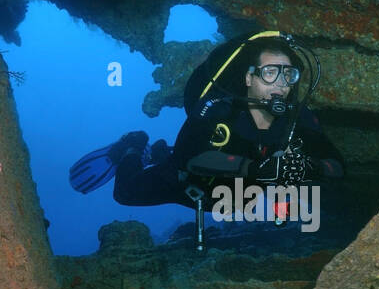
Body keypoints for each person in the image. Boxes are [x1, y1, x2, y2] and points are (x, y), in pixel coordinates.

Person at [69, 32, 343, 212]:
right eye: (270, 73)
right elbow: (190, 157)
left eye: (288, 75)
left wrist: (311, 167)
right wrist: (255, 167)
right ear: (249, 78)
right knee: (126, 194)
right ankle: (133, 146)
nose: (280, 84)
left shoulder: (298, 119)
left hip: (239, 201)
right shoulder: (218, 109)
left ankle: (161, 151)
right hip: (190, 188)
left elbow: (338, 166)